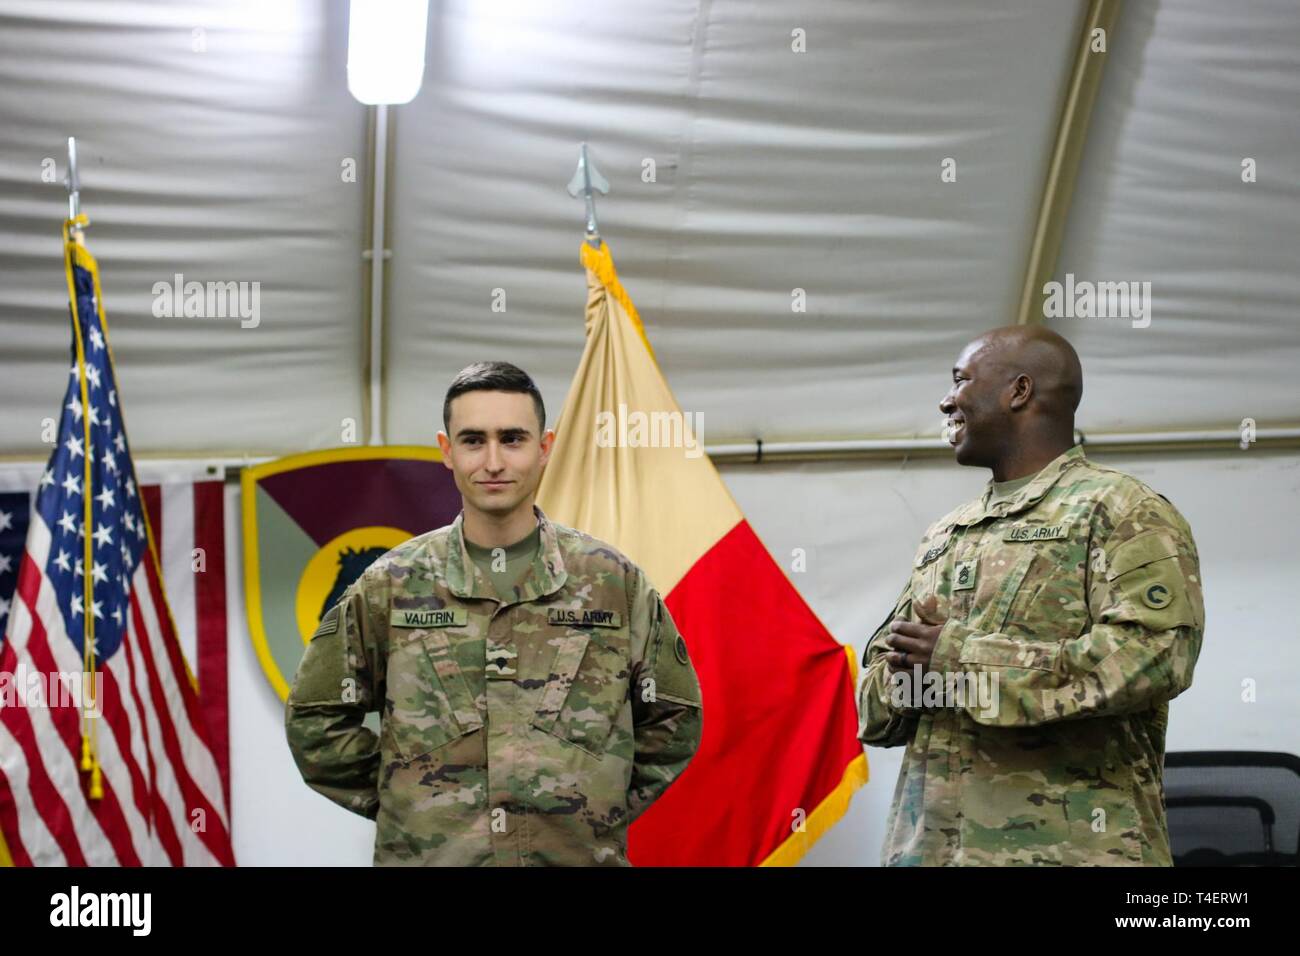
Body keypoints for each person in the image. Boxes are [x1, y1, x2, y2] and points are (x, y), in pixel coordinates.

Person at [285, 361, 703, 865]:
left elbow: (675, 718)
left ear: (544, 447)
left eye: (512, 439)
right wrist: (414, 806)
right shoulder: (390, 586)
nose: (494, 461)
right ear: (447, 451)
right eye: (473, 440)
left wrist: (591, 809)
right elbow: (316, 719)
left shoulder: (611, 582)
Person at [859, 325, 1204, 866]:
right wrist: (906, 681)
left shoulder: (1120, 510)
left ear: (1019, 392)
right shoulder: (948, 533)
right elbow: (876, 705)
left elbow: (1155, 659)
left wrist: (959, 658)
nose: (947, 400)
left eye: (961, 380)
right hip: (930, 851)